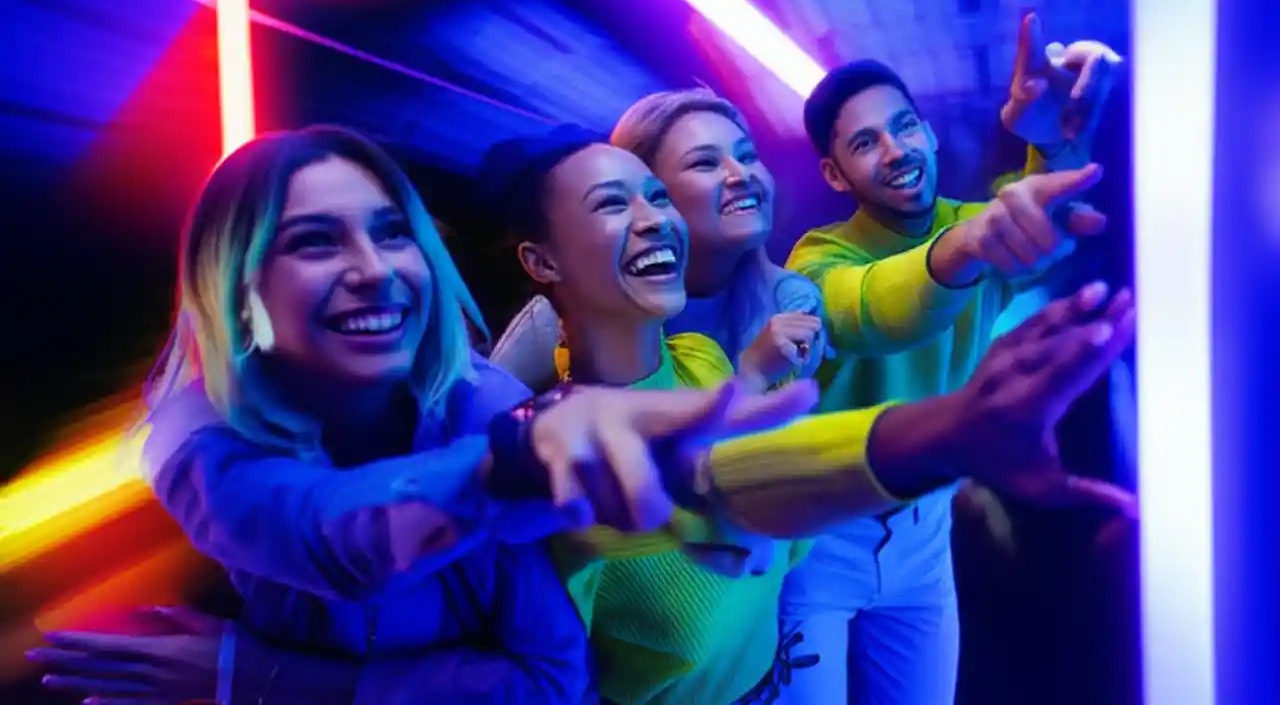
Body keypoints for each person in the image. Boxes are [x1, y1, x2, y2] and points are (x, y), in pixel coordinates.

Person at [34, 128, 1135, 705]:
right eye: (316, 240)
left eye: (389, 232)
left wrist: (946, 435)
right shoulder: (200, 435)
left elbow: (727, 471)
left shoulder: (647, 367)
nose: (371, 269)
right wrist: (518, 460)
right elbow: (331, 537)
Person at [778, 14, 1124, 705]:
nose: (897, 150)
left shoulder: (973, 222)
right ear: (834, 172)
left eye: (904, 126)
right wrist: (970, 248)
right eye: (865, 143)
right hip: (819, 535)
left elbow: (1041, 224)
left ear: (929, 132)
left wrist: (1056, 134)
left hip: (923, 536)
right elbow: (879, 309)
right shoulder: (818, 259)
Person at [490, 89, 826, 396]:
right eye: (704, 163)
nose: (742, 174)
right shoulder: (563, 313)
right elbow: (486, 410)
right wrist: (750, 378)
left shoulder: (785, 303)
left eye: (749, 156)